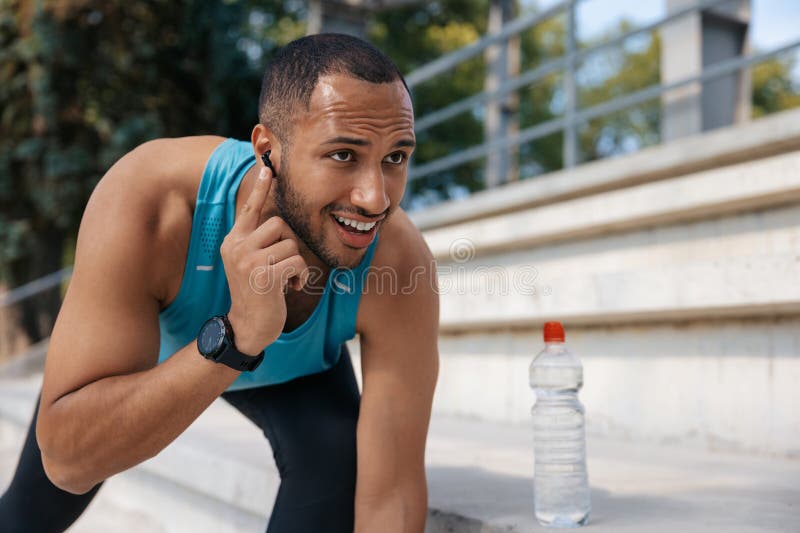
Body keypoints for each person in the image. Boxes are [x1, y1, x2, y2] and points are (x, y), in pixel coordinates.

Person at [0, 33, 439, 533]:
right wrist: (239, 335)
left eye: (396, 157)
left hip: (296, 372)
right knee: (26, 517)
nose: (375, 198)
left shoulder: (399, 261)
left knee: (338, 458)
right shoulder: (154, 201)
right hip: (164, 351)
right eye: (343, 155)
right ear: (267, 150)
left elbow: (394, 498)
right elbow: (67, 463)